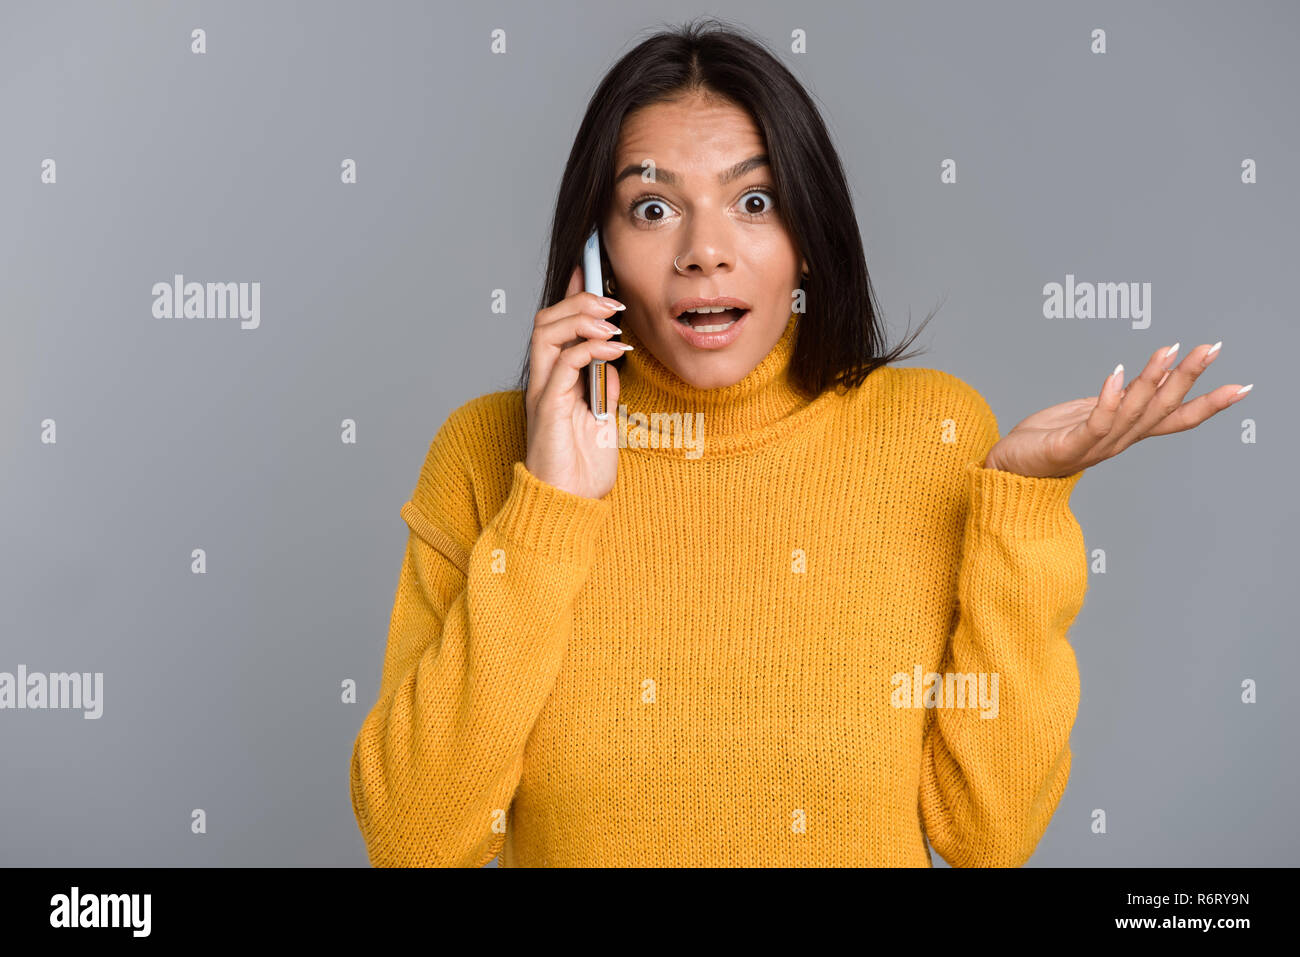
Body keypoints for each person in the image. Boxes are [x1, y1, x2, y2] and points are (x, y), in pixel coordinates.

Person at [348, 18, 1250, 867]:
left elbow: (989, 832)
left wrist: (1021, 506)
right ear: (595, 250)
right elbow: (416, 838)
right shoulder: (484, 452)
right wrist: (548, 512)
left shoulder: (932, 437)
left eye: (754, 200)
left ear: (809, 238)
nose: (706, 250)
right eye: (653, 209)